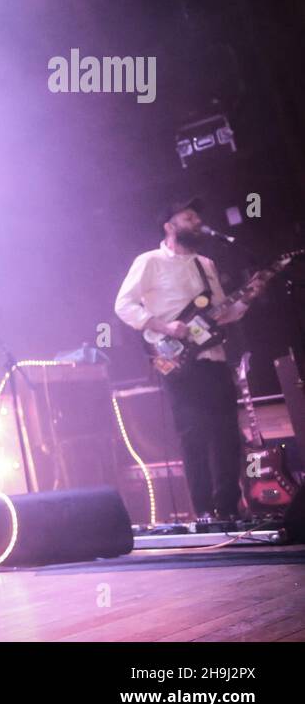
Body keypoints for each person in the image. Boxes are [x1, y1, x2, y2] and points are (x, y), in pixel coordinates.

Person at [114, 197, 259, 524]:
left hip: (214, 357)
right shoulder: (149, 261)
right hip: (175, 360)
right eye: (188, 217)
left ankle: (229, 507)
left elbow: (222, 313)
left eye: (196, 218)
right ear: (170, 226)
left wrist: (247, 298)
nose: (196, 223)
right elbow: (124, 306)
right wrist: (165, 326)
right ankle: (205, 510)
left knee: (226, 433)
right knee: (193, 433)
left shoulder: (204, 264)